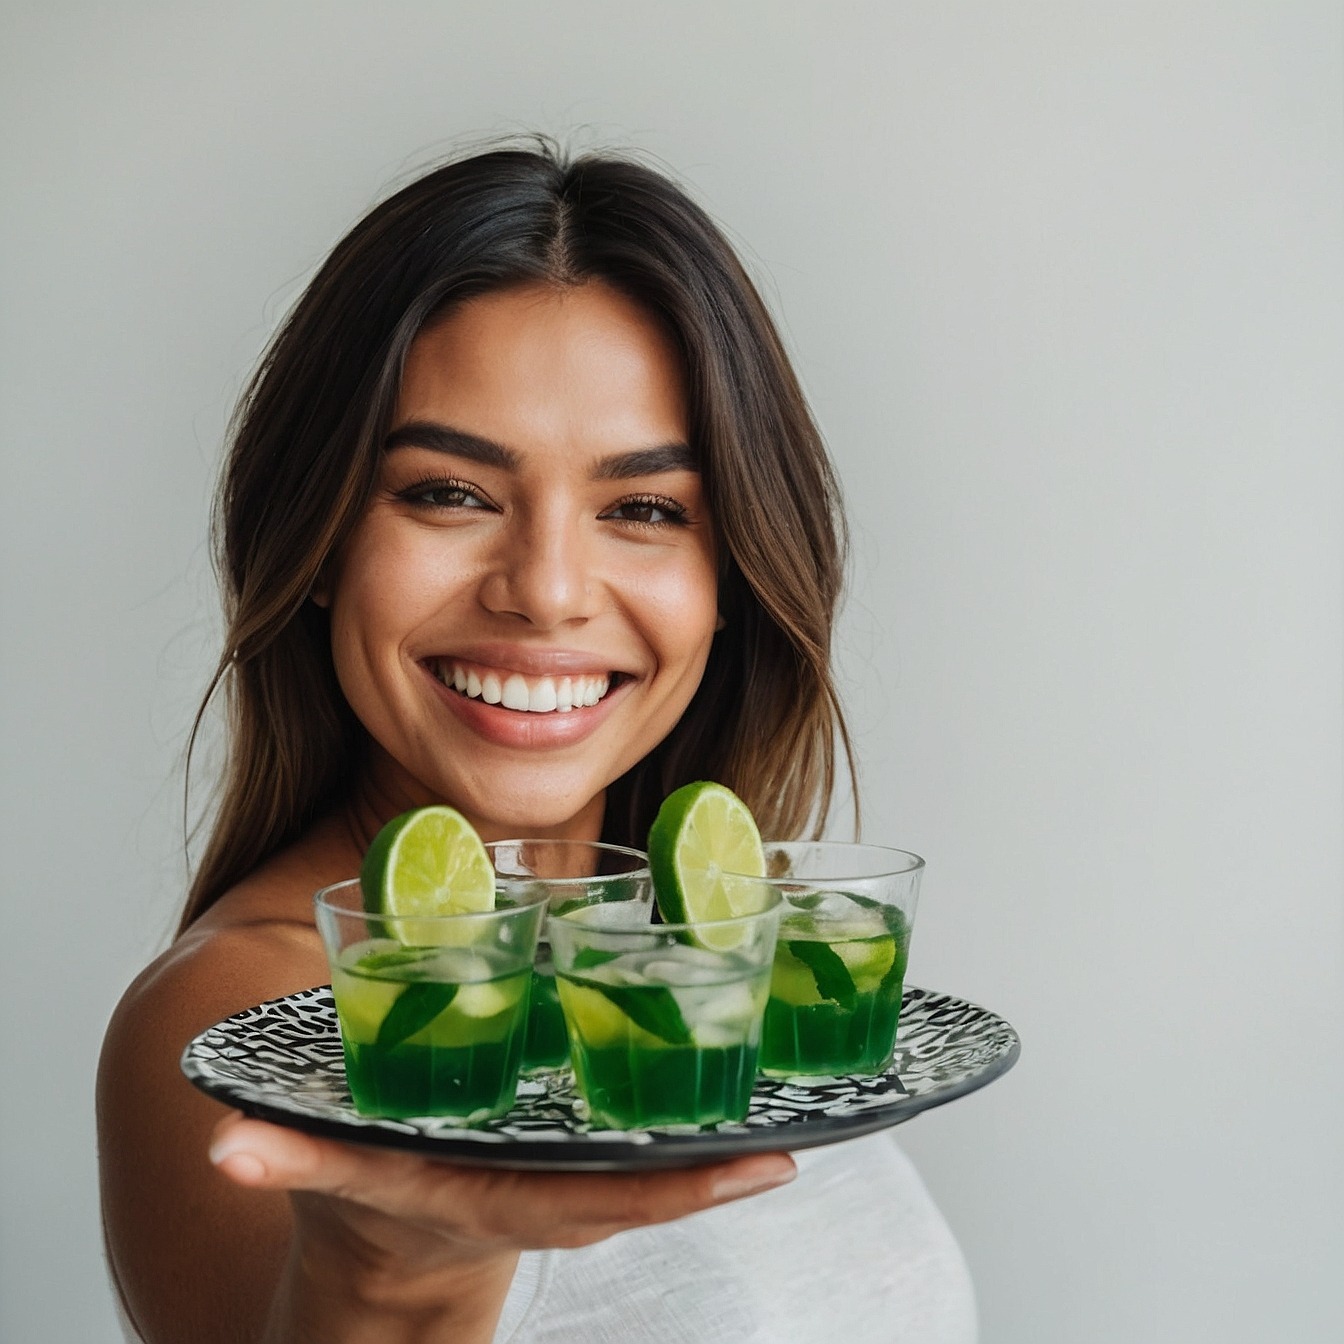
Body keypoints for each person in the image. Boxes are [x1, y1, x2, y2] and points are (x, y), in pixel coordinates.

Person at [97, 141, 977, 1343]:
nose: (549, 590)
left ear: (729, 579)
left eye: (645, 508)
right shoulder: (246, 1016)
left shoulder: (726, 964)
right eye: (448, 493)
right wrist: (395, 1273)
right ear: (318, 541)